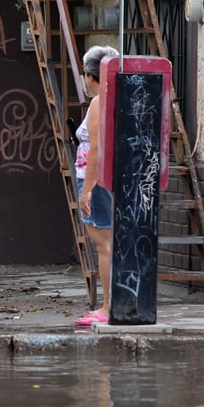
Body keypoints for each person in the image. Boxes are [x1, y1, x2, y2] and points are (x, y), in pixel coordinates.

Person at [74, 45, 119, 327]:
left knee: (103, 244)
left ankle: (107, 306)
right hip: (109, 179)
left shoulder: (98, 103)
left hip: (97, 181)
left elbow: (96, 150)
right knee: (108, 243)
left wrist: (87, 189)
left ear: (92, 77)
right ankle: (112, 303)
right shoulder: (118, 99)